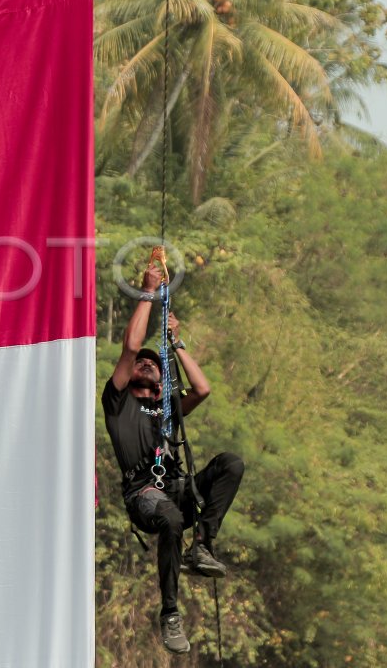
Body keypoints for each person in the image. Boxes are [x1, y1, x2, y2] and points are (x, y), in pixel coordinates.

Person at [102, 263, 245, 655]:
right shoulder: (118, 405)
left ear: (163, 381)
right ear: (130, 378)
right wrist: (149, 293)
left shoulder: (168, 410)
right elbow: (131, 348)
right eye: (140, 365)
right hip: (145, 495)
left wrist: (176, 343)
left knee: (230, 463)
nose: (146, 362)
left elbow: (203, 388)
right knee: (169, 518)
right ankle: (170, 613)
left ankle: (202, 544)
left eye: (154, 363)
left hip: (178, 490)